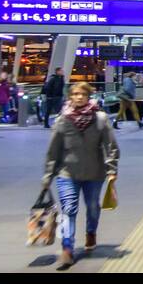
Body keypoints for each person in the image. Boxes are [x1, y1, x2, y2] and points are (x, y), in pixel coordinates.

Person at [41, 82, 119, 270]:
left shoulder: (100, 118)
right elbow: (53, 150)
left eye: (82, 94)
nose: (78, 97)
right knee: (68, 209)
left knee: (92, 206)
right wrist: (48, 176)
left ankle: (91, 232)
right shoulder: (62, 120)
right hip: (66, 172)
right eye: (75, 94)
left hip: (95, 172)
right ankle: (67, 249)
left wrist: (111, 169)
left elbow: (111, 146)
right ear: (70, 96)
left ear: (88, 96)